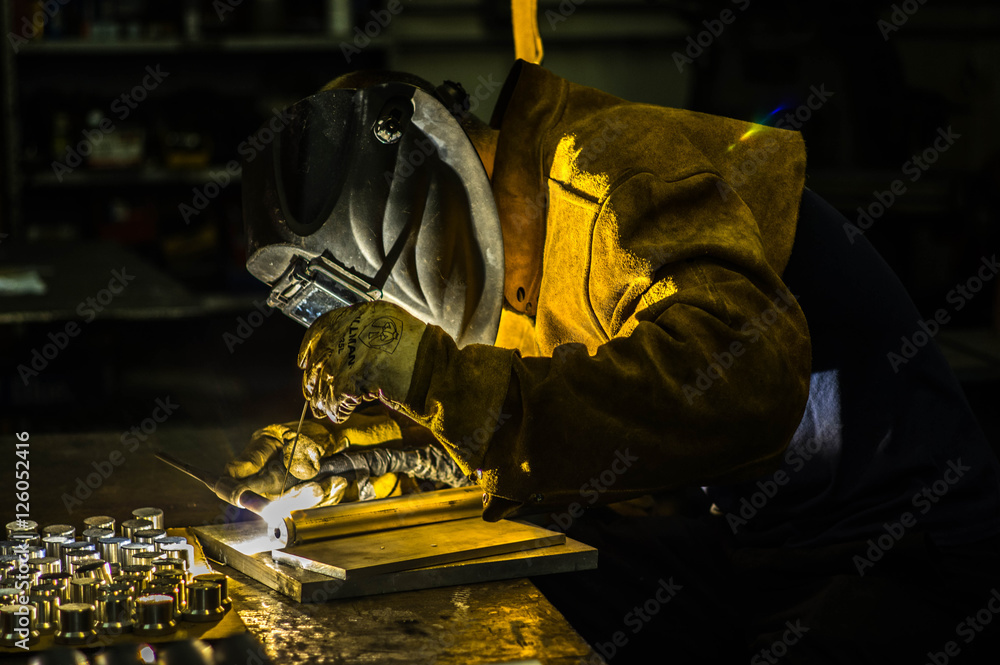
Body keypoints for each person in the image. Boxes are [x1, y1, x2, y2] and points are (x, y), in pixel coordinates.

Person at [230, 61, 1000, 663]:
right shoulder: (516, 255)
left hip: (903, 552)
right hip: (758, 541)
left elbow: (739, 384)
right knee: (520, 583)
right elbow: (578, 414)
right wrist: (381, 450)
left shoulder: (608, 170)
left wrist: (439, 380)